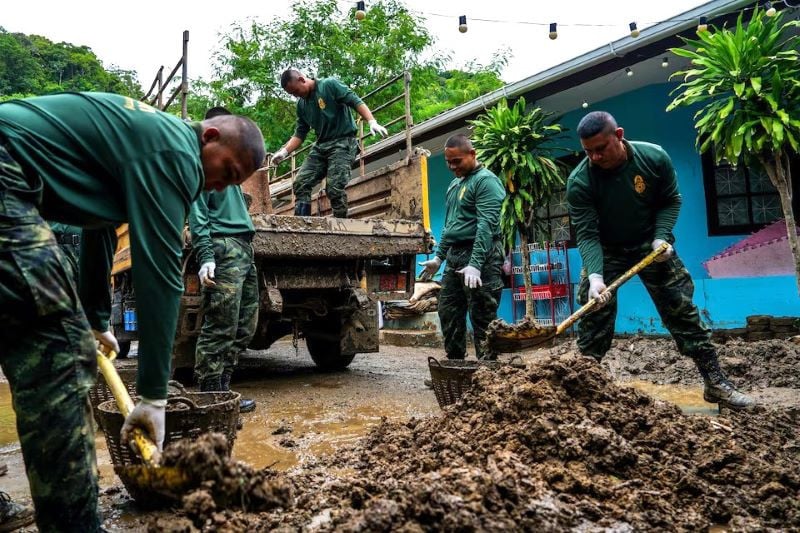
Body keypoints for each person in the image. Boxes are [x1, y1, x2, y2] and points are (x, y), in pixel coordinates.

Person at [0, 91, 265, 531]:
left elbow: (99, 229)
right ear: (210, 137)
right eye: (227, 172)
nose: (220, 187)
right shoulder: (176, 152)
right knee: (59, 355)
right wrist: (153, 397)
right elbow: (158, 273)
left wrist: (96, 320)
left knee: (54, 335)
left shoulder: (145, 146)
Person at [565, 111, 753, 410]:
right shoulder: (580, 181)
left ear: (619, 135)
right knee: (593, 316)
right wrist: (596, 278)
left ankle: (717, 385)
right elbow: (587, 235)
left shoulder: (653, 158)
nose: (595, 157)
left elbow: (670, 200)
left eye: (601, 148)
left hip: (651, 245)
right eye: (588, 151)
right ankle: (584, 392)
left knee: (683, 311)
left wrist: (661, 235)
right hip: (606, 249)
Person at [190, 106, 258, 413]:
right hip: (222, 246)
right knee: (220, 325)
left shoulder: (232, 173)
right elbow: (198, 212)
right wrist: (205, 255)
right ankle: (210, 396)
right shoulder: (203, 168)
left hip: (243, 247)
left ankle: (224, 388)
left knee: (244, 324)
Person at [419, 134, 506, 361]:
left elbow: (486, 226)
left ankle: (488, 372)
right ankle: (455, 366)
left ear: (472, 154)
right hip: (455, 256)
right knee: (448, 311)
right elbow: (450, 226)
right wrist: (439, 258)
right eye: (448, 162)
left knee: (482, 315)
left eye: (456, 161)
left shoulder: (486, 181)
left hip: (482, 255)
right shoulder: (455, 185)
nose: (451, 166)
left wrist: (475, 265)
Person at [270, 69, 388, 218]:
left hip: (343, 142)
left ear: (301, 79)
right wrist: (284, 152)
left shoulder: (328, 85)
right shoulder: (302, 105)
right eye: (292, 94)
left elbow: (355, 100)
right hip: (321, 146)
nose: (296, 95)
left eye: (296, 91)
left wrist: (372, 121)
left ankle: (340, 226)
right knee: (300, 183)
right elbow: (300, 134)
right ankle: (301, 227)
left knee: (334, 188)